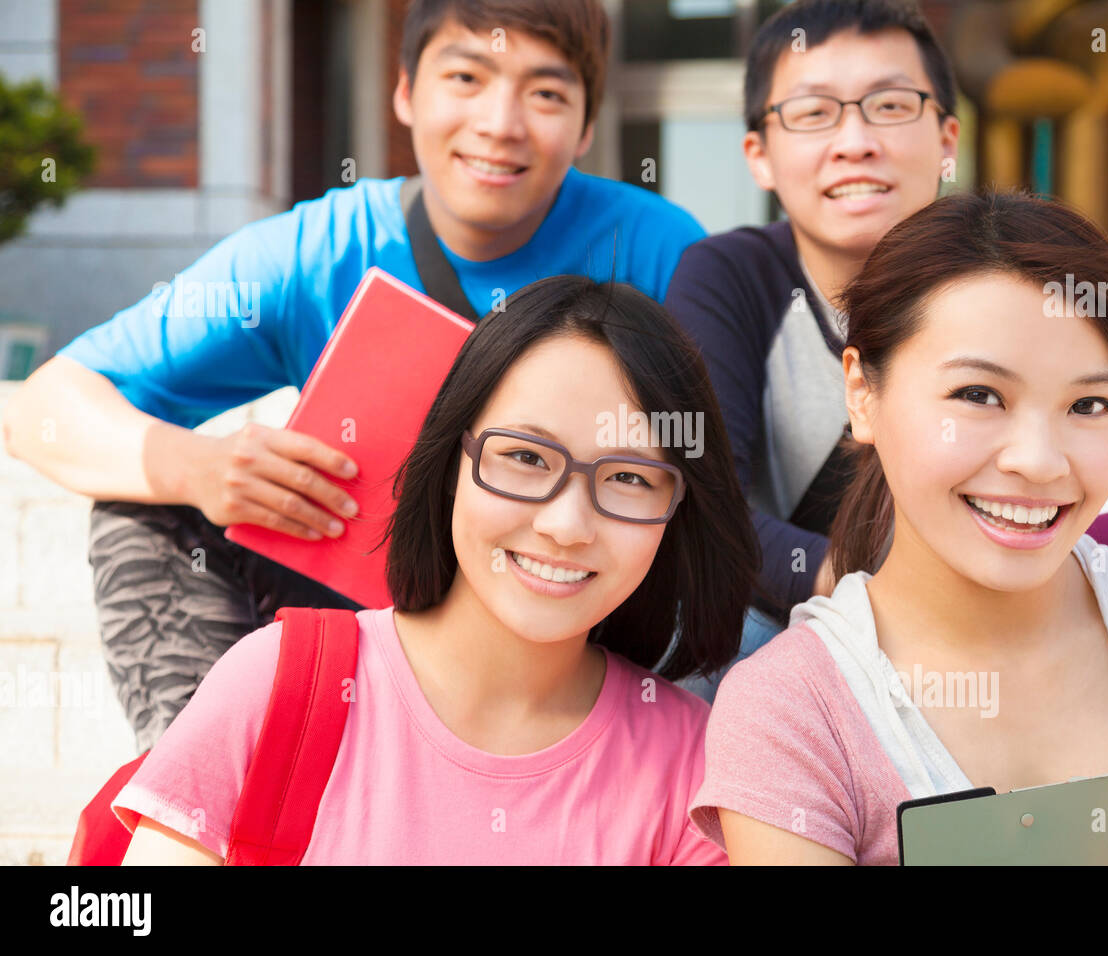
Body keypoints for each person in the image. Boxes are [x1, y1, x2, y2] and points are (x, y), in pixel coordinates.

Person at [1, 0, 706, 752]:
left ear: (588, 123)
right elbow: (43, 406)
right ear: (405, 91)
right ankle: (214, 779)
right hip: (365, 602)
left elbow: (715, 475)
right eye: (467, 76)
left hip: (559, 604)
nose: (501, 122)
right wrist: (204, 467)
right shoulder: (317, 249)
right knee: (147, 506)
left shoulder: (659, 250)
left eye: (546, 93)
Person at [666, 0, 1108, 702]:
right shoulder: (728, 278)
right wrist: (904, 597)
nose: (855, 140)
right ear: (758, 153)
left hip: (1053, 615)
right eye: (814, 112)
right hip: (825, 626)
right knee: (708, 641)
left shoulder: (1040, 265)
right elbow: (702, 503)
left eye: (891, 105)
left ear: (948, 139)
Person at [688, 190, 1108, 865]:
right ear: (862, 393)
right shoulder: (790, 715)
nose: (1038, 461)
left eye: (1089, 404)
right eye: (979, 396)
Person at [112, 276, 758, 865]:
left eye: (626, 477)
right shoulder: (278, 680)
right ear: (450, 463)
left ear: (677, 510)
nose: (566, 524)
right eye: (526, 459)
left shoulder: (694, 769)